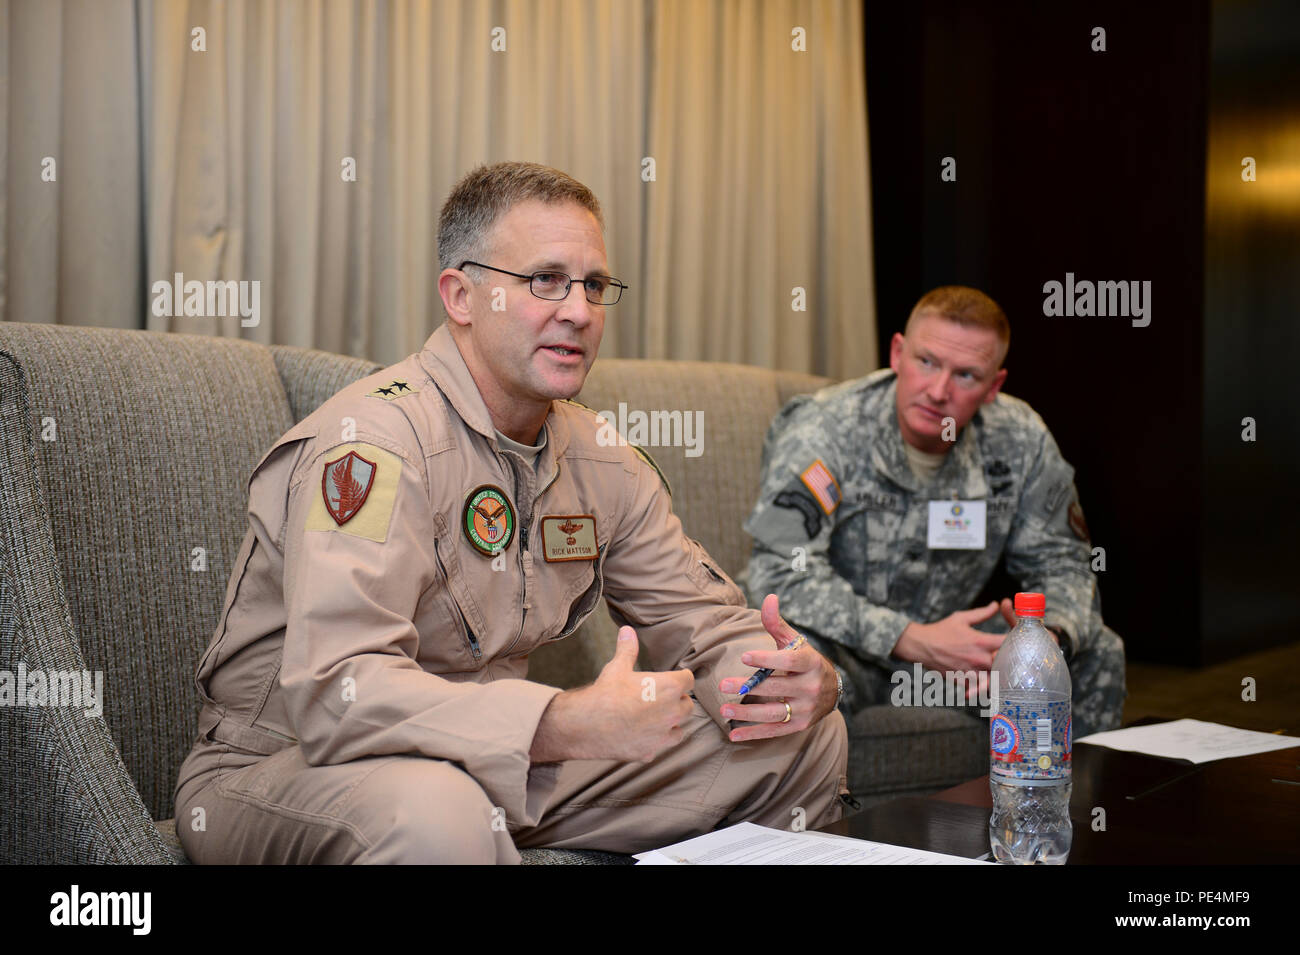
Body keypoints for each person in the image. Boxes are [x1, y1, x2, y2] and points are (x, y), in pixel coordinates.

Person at [174, 161, 847, 864]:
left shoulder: (601, 457)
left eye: (592, 285)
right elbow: (340, 694)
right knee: (439, 814)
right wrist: (564, 721)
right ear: (462, 295)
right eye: (545, 280)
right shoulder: (373, 446)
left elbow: (704, 623)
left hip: (492, 765)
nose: (581, 311)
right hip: (294, 769)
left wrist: (782, 676)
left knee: (801, 737)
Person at [744, 286, 1125, 741]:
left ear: (993, 387)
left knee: (1097, 650)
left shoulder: (1019, 438)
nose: (938, 391)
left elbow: (1063, 562)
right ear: (897, 352)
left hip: (952, 662)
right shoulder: (824, 429)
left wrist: (1041, 642)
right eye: (926, 362)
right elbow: (779, 572)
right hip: (846, 650)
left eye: (965, 375)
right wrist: (909, 637)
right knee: (783, 664)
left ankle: (1059, 808)